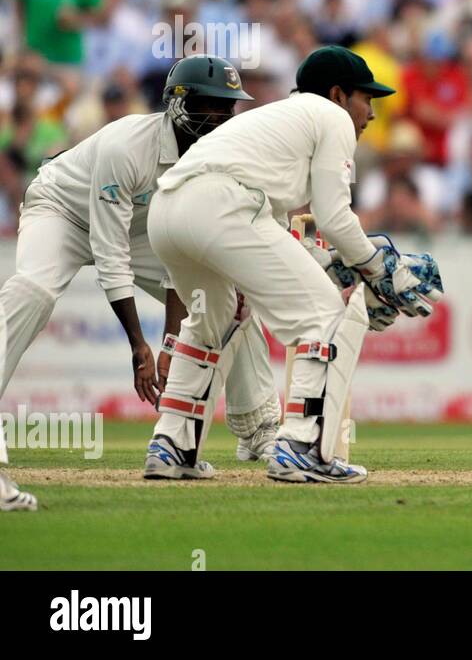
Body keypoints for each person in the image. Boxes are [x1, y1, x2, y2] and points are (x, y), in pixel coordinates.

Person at [143, 46, 443, 484]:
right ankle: (301, 447)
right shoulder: (331, 116)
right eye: (367, 100)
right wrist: (380, 269)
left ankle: (171, 447)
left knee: (214, 321)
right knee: (322, 314)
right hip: (222, 206)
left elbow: (278, 236)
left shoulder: (277, 123)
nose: (373, 115)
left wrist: (334, 261)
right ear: (339, 94)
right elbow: (336, 217)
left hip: (168, 212)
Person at [0, 56, 284, 473]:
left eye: (230, 107)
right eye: (213, 106)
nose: (224, 117)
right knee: (34, 290)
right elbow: (110, 254)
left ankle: (258, 426)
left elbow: (181, 261)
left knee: (222, 297)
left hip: (141, 228)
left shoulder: (214, 162)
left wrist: (170, 344)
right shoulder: (126, 146)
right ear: (179, 104)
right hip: (63, 211)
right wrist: (139, 348)